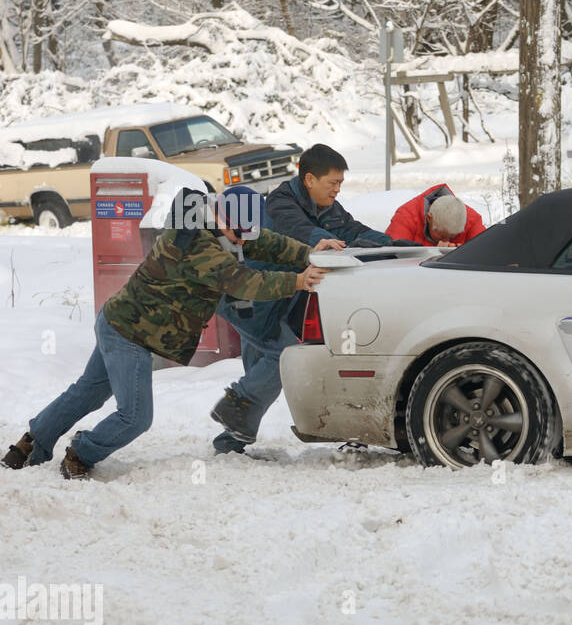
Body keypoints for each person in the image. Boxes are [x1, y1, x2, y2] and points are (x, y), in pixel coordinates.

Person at [2, 187, 332, 479]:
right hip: (129, 333)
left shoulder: (213, 224)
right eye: (238, 235)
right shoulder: (197, 247)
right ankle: (81, 453)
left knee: (87, 393)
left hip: (117, 321)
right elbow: (245, 282)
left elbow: (265, 242)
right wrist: (299, 280)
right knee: (135, 418)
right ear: (222, 217)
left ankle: (29, 445)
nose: (242, 242)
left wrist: (308, 251)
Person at [208, 185, 345, 454]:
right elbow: (255, 273)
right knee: (281, 358)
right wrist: (300, 271)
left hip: (266, 302)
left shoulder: (278, 210)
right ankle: (234, 405)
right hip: (249, 302)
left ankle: (232, 437)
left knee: (262, 370)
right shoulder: (231, 232)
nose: (336, 189)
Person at [266, 143, 418, 248]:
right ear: (310, 180)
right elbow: (301, 231)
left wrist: (391, 244)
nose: (338, 189)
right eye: (333, 183)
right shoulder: (280, 202)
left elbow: (353, 230)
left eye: (340, 183)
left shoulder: (329, 205)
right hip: (275, 288)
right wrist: (337, 245)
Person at [384, 184, 486, 246]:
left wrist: (461, 256)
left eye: (452, 237)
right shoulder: (406, 217)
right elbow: (394, 258)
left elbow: (485, 254)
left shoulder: (472, 221)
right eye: (441, 235)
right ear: (429, 218)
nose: (445, 241)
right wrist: (436, 255)